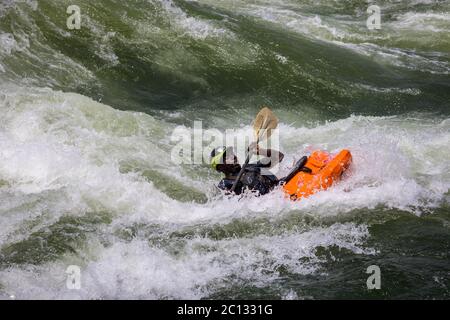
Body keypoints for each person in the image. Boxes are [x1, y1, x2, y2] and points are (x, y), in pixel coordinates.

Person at [210, 143, 285, 196]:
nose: (233, 157)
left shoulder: (250, 167)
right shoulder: (224, 184)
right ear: (220, 167)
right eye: (227, 157)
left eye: (232, 154)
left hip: (280, 189)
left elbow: (279, 156)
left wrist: (261, 151)